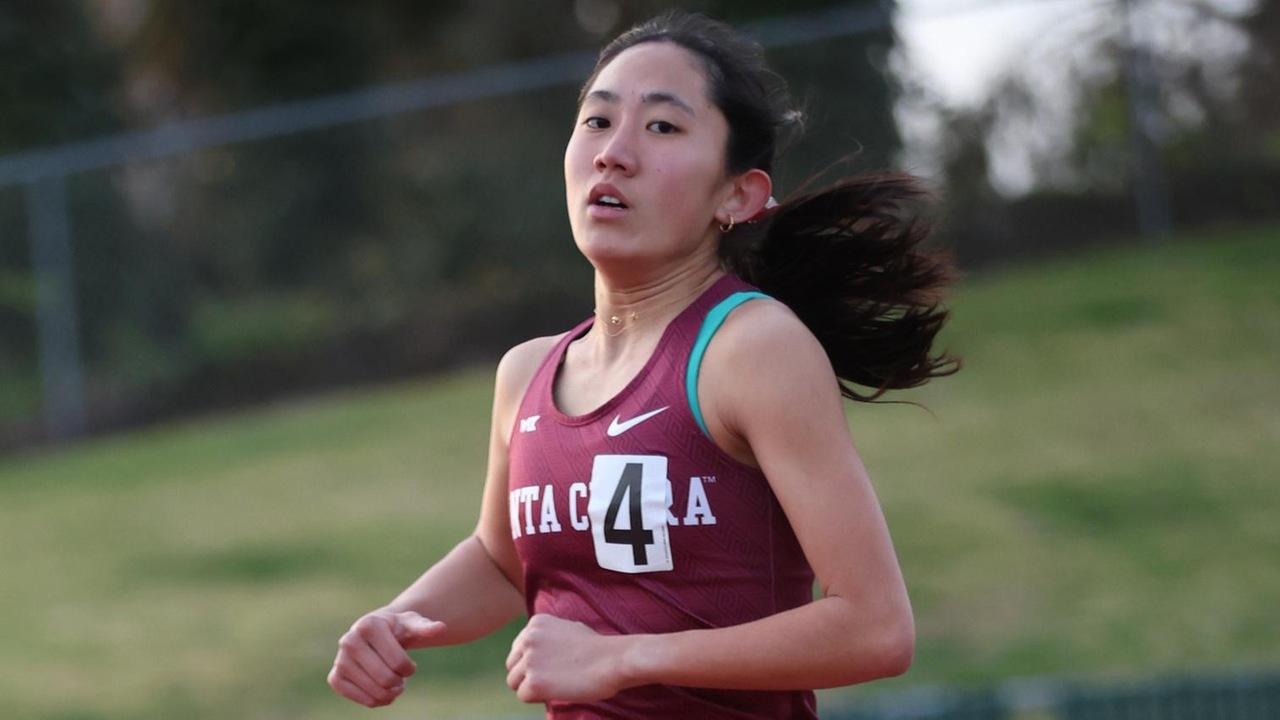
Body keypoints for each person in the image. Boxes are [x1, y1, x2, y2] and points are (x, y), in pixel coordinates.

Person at [328, 10, 958, 719]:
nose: (613, 153)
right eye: (597, 122)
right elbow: (506, 562)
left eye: (662, 127)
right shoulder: (527, 374)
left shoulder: (750, 350)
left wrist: (623, 657)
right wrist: (397, 619)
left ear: (737, 194)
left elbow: (875, 628)